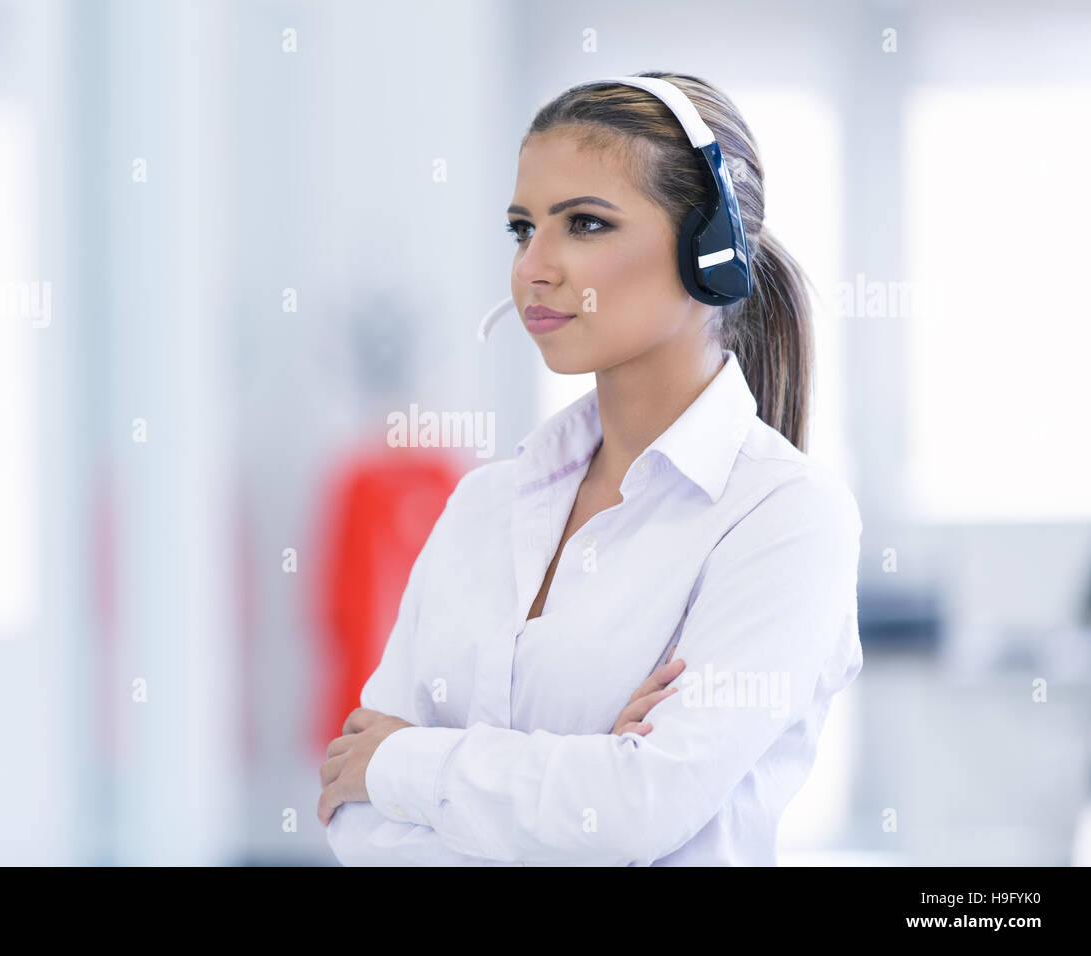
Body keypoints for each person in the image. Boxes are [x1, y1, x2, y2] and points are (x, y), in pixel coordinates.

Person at [317, 70, 862, 865]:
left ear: (710, 251)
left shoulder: (785, 516)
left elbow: (638, 808)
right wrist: (585, 780)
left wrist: (406, 766)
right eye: (522, 229)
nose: (533, 267)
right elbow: (352, 811)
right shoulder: (481, 504)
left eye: (585, 224)